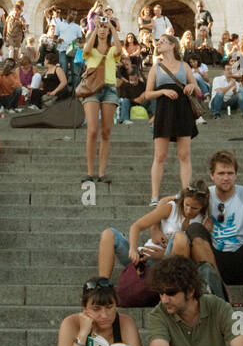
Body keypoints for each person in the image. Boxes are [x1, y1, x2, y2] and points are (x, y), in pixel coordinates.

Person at [185, 150, 243, 307]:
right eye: (221, 173)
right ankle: (221, 290)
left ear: (236, 175)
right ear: (212, 175)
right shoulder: (205, 194)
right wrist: (156, 228)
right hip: (215, 261)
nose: (226, 178)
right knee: (194, 229)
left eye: (230, 173)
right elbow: (175, 203)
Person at [145, 256, 243, 346]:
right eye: (160, 292)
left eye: (171, 293)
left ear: (190, 291)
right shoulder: (158, 314)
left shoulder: (218, 307)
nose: (164, 300)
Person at [97, 183, 210, 282]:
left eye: (194, 208)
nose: (189, 210)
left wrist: (160, 255)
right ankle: (103, 284)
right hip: (143, 258)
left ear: (202, 207)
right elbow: (136, 226)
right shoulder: (172, 208)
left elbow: (192, 253)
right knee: (109, 233)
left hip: (168, 264)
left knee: (179, 236)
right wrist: (133, 249)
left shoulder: (204, 221)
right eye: (187, 205)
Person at [143, 34, 200, 206]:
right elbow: (147, 93)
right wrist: (162, 92)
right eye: (158, 42)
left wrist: (192, 86)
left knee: (184, 154)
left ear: (173, 45)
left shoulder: (184, 66)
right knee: (160, 155)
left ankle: (186, 193)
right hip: (163, 110)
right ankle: (154, 196)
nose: (158, 43)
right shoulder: (156, 67)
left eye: (163, 41)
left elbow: (197, 88)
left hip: (182, 110)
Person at [55, 277, 146, 346]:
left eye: (109, 307)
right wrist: (82, 334)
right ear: (85, 308)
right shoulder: (71, 323)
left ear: (116, 305)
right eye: (96, 309)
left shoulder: (126, 323)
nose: (104, 315)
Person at [79, 19, 121, 184]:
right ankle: (90, 172)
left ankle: (102, 173)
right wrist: (95, 30)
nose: (103, 30)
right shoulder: (92, 48)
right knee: (92, 130)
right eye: (101, 28)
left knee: (106, 132)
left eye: (105, 28)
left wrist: (113, 29)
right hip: (92, 89)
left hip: (109, 89)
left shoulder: (112, 49)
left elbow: (119, 50)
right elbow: (87, 49)